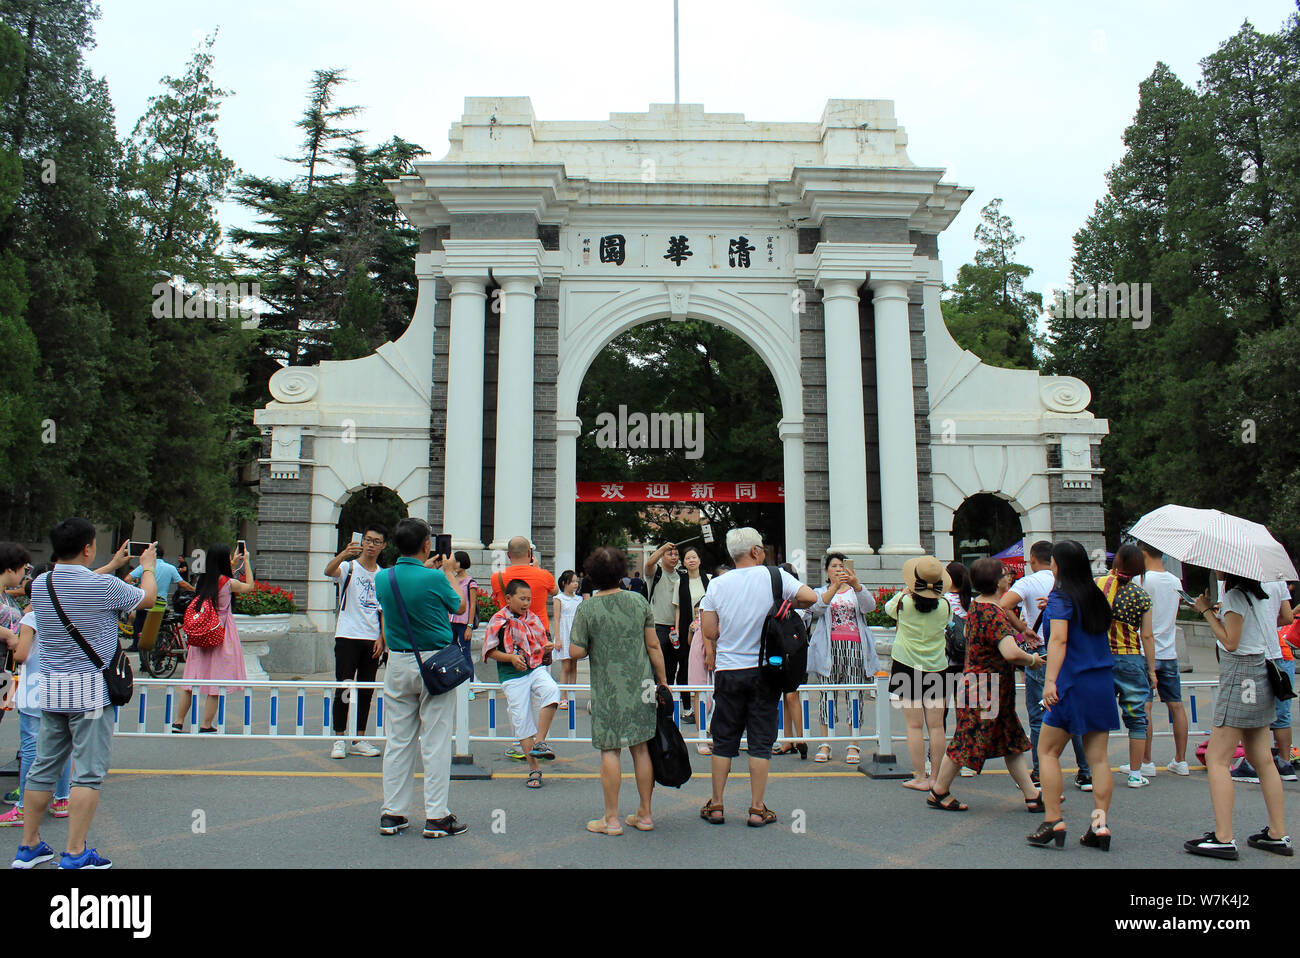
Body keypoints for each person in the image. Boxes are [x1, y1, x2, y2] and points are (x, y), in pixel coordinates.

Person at [13, 519, 157, 870]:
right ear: (88, 548)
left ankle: (28, 846)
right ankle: (75, 853)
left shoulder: (41, 583)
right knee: (88, 774)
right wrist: (147, 568)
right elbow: (148, 599)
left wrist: (114, 566)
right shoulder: (104, 586)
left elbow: (77, 582)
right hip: (91, 694)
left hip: (52, 690)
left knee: (43, 768)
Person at [698, 528, 816, 827]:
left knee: (723, 740)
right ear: (754, 551)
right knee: (761, 742)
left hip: (728, 670)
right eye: (761, 548)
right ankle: (756, 808)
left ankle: (716, 805)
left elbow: (710, 631)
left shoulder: (717, 585)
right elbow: (810, 597)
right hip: (766, 670)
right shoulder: (775, 576)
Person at [1185, 572, 1291, 859]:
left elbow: (1231, 643)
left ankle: (1223, 837)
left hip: (1241, 674)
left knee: (1216, 757)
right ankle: (1278, 834)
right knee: (1263, 758)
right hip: (1263, 672)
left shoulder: (1234, 596)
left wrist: (1206, 611)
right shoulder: (1258, 595)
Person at [373, 518, 467, 839]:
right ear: (427, 545)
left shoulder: (383, 578)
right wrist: (450, 573)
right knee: (436, 741)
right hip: (435, 663)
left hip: (398, 662)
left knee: (398, 740)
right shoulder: (436, 578)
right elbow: (460, 605)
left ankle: (393, 813)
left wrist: (429, 571)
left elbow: (406, 591)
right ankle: (436, 816)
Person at [927, 557, 1045, 811]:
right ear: (997, 581)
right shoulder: (993, 613)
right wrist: (1032, 660)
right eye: (1005, 573)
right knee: (966, 740)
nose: (1009, 576)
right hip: (985, 687)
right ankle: (938, 791)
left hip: (987, 686)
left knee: (1011, 741)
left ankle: (1032, 795)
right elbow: (1011, 652)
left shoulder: (981, 607)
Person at [568, 547, 669, 834]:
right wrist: (662, 680)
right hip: (642, 683)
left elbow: (576, 651)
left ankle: (611, 820)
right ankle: (645, 814)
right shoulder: (638, 602)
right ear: (622, 572)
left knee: (610, 749)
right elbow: (653, 646)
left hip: (607, 687)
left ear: (592, 575)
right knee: (641, 748)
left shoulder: (586, 608)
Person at [1029, 540, 1117, 851]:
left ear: (1059, 565)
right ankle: (1099, 824)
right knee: (1099, 758)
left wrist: (1049, 681)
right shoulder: (1094, 595)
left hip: (1071, 683)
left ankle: (1054, 819)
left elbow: (1060, 642)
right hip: (1101, 681)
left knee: (1048, 752)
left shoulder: (1060, 597)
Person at [1001, 540, 1093, 791]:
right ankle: (1086, 773)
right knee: (1073, 713)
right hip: (1075, 657)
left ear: (1032, 559)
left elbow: (1004, 605)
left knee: (1039, 716)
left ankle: (1040, 773)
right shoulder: (1080, 585)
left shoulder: (1027, 582)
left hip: (1042, 653)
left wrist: (1023, 630)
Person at [0, 564, 73, 828]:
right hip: (64, 690)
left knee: (31, 749)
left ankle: (23, 808)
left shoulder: (31, 619)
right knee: (64, 748)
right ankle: (62, 800)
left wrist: (15, 641)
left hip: (34, 692)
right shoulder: (69, 614)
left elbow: (20, 655)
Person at [484, 580, 560, 790]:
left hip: (534, 668)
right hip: (512, 676)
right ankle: (534, 769)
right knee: (521, 721)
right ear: (508, 599)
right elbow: (490, 651)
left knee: (552, 691)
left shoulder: (533, 619)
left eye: (529, 599)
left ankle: (540, 741)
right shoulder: (498, 620)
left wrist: (547, 649)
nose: (526, 603)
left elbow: (539, 648)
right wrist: (510, 658)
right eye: (522, 599)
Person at [886, 556, 953, 792]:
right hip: (937, 666)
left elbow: (888, 610)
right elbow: (949, 623)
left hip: (907, 666)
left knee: (913, 726)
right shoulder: (945, 605)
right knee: (937, 727)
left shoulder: (904, 603)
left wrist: (905, 592)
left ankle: (920, 777)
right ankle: (936, 777)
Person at [173, 543, 254, 733]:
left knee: (190, 681)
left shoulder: (202, 580)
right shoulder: (228, 582)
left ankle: (178, 722)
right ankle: (206, 724)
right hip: (220, 634)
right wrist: (247, 562)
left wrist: (233, 562)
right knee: (214, 683)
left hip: (201, 633)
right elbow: (249, 586)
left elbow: (219, 578)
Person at [322, 526, 387, 760]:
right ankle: (338, 738)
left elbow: (383, 610)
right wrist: (343, 554)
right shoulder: (349, 568)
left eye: (376, 541)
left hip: (372, 640)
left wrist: (382, 638)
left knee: (366, 689)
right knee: (344, 687)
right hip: (347, 636)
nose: (370, 545)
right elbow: (328, 571)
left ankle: (359, 738)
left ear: (383, 546)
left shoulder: (382, 575)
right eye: (368, 540)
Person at [807, 553, 878, 764]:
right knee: (827, 695)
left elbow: (870, 607)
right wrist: (834, 588)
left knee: (854, 695)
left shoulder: (857, 591)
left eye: (842, 566)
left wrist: (856, 585)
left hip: (856, 648)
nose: (839, 569)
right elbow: (817, 608)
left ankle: (853, 743)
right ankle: (825, 742)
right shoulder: (821, 591)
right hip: (829, 649)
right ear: (827, 571)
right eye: (834, 566)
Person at [1096, 544, 1157, 788]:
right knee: (1137, 718)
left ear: (1117, 561)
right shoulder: (1141, 596)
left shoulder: (1099, 586)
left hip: (1101, 658)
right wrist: (1151, 670)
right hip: (1131, 659)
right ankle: (1134, 773)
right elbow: (1148, 636)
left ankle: (1096, 769)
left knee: (1099, 717)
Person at [1233, 578, 1295, 783]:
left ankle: (1251, 764)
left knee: (1251, 714)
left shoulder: (1238, 584)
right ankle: (1285, 764)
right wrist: (1268, 622)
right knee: (1282, 715)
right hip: (1277, 655)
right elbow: (1287, 617)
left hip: (1252, 656)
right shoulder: (1278, 581)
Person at [1137, 541, 1189, 775]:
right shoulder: (1175, 581)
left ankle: (1146, 762)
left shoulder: (1142, 581)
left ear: (1144, 552)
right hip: (1169, 652)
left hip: (1144, 651)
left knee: (1145, 707)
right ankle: (1181, 760)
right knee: (1176, 705)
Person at [126, 546, 193, 652]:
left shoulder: (144, 567)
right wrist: (195, 590)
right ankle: (160, 648)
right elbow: (182, 583)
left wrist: (135, 589)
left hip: (144, 603)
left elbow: (127, 579)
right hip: (160, 606)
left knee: (139, 626)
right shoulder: (170, 568)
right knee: (160, 628)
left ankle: (136, 646)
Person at [488, 536, 558, 635]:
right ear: (529, 553)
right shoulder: (544, 575)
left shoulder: (496, 577)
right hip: (539, 632)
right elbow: (555, 591)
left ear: (508, 555)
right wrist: (538, 568)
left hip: (510, 633)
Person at [644, 541, 684, 712]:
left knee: (671, 667)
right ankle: (649, 701)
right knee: (654, 667)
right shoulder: (656, 572)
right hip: (656, 627)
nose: (674, 557)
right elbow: (649, 563)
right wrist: (662, 549)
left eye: (676, 554)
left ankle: (666, 703)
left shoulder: (681, 576)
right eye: (670, 554)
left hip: (675, 629)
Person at [672, 546, 710, 725]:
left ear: (700, 560)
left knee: (707, 666)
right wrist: (679, 629)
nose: (691, 560)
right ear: (684, 562)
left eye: (694, 557)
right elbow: (678, 607)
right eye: (688, 558)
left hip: (707, 629)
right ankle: (687, 707)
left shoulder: (708, 580)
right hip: (688, 630)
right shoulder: (680, 582)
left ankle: (707, 706)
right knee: (686, 666)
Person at [445, 550, 479, 700]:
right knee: (450, 654)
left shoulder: (470, 582)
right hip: (450, 621)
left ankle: (470, 686)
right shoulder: (451, 579)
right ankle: (453, 684)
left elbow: (472, 605)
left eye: (456, 561)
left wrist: (469, 626)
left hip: (463, 623)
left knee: (465, 654)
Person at [552, 570, 582, 711]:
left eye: (577, 581)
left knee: (574, 665)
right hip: (564, 634)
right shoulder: (559, 599)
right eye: (573, 582)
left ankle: (571, 695)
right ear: (564, 583)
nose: (576, 584)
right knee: (566, 666)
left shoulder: (579, 599)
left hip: (575, 634)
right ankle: (562, 696)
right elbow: (556, 620)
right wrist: (558, 639)